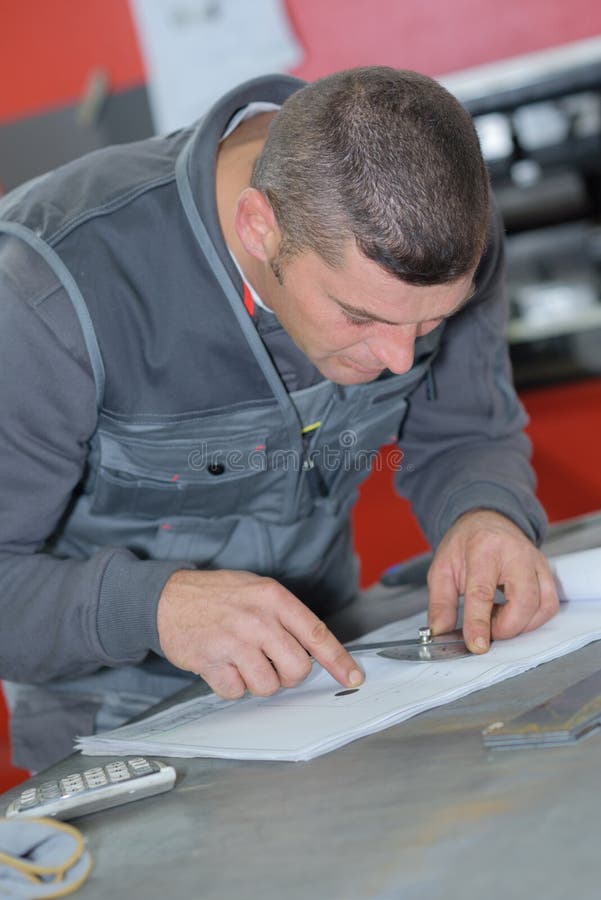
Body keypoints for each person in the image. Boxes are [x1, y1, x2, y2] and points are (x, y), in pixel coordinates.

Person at [0, 67, 558, 770]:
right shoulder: (45, 295)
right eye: (358, 317)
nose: (396, 358)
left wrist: (486, 513)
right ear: (258, 227)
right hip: (112, 725)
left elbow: (466, 433)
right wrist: (151, 606)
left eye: (429, 324)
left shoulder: (444, 234)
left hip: (320, 680)